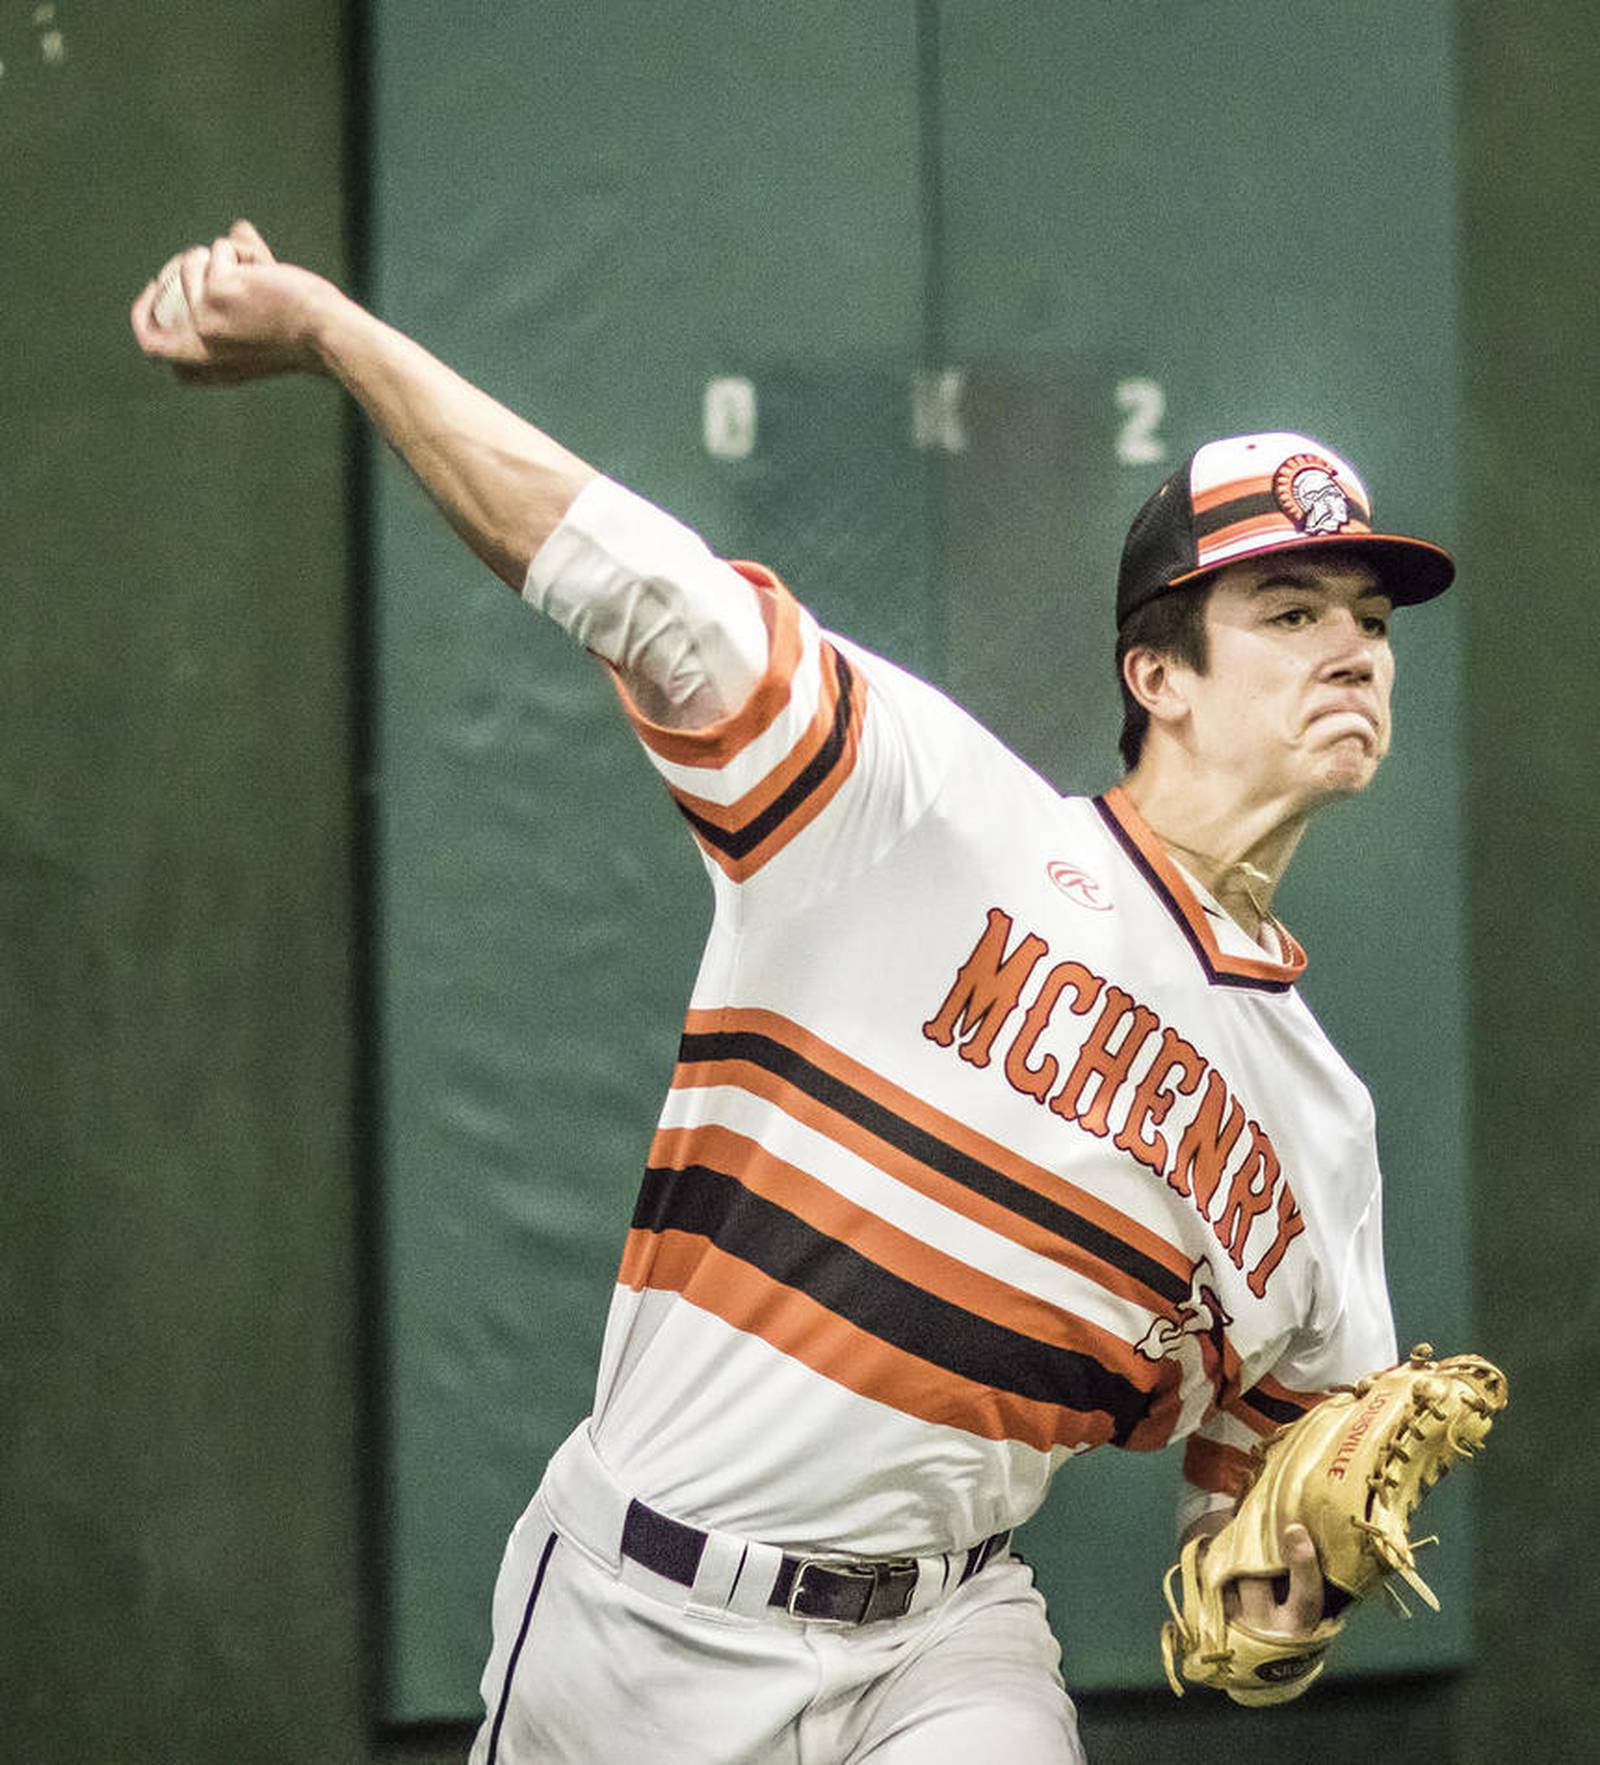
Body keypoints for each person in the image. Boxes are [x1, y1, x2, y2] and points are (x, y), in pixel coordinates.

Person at [132, 222, 1455, 1763]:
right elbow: (643, 586)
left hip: (944, 1645)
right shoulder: (923, 811)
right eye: (1290, 612)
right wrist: (330, 331)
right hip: (641, 1611)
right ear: (1156, 675)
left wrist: (1291, 1594)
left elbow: (1275, 1500)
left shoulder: (1321, 1128)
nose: (1352, 648)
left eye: (1369, 618)